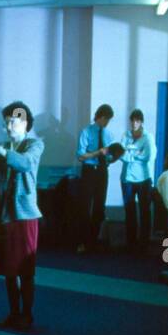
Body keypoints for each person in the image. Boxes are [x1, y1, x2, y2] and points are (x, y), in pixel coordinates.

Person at [0, 100, 43, 330]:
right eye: (6, 123)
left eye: (13, 121)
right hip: (5, 216)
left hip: (24, 216)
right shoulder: (4, 146)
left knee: (25, 270)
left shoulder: (35, 144)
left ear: (26, 123)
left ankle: (27, 314)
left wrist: (1, 152)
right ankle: (13, 313)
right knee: (8, 270)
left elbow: (25, 164)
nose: (9, 127)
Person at [76, 104, 115, 252]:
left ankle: (93, 241)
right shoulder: (86, 132)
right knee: (85, 207)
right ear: (100, 117)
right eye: (106, 119)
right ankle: (82, 242)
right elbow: (81, 156)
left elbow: (109, 156)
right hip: (89, 171)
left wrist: (112, 157)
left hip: (103, 171)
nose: (107, 123)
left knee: (100, 207)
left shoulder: (109, 134)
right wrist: (98, 153)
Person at [120, 109, 155, 250]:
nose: (134, 123)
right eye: (132, 120)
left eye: (137, 121)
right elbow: (121, 155)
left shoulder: (148, 137)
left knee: (144, 211)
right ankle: (131, 243)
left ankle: (144, 244)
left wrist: (131, 154)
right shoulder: (126, 135)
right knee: (129, 211)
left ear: (141, 122)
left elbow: (149, 156)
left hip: (143, 179)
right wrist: (137, 154)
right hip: (127, 179)